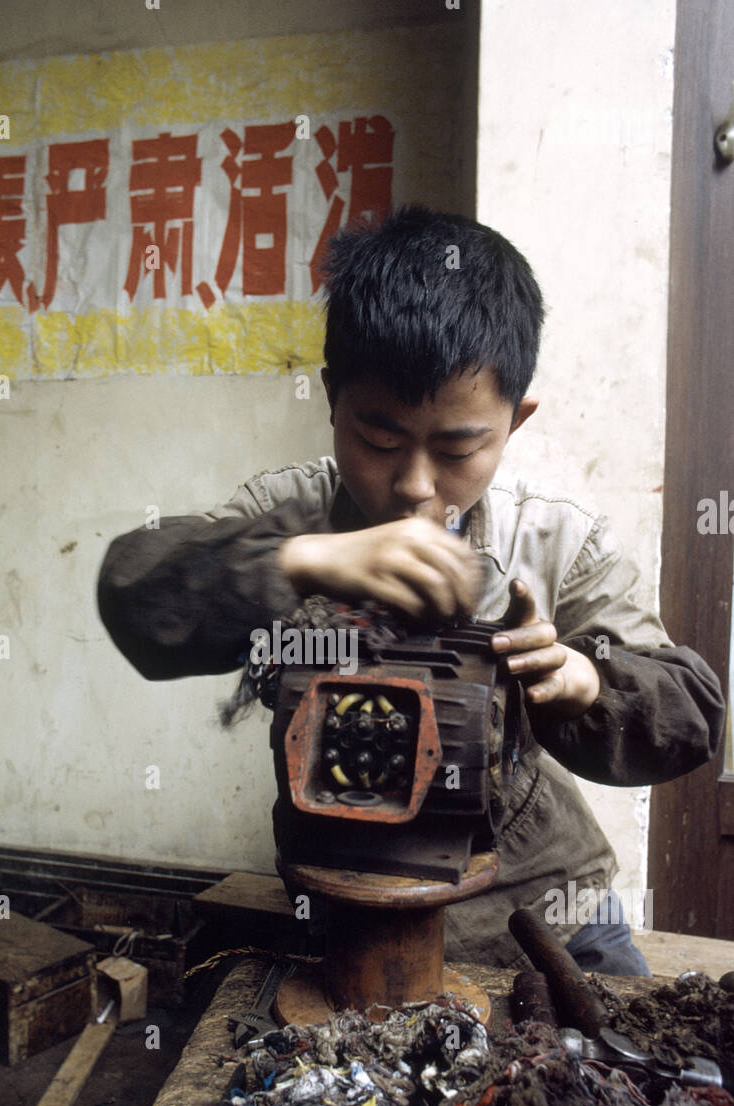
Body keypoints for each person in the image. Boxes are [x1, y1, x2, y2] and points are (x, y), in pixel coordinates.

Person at [97, 206, 725, 975]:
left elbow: (692, 711)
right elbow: (135, 588)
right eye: (379, 439)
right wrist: (304, 560)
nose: (416, 486)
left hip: (546, 918)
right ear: (334, 399)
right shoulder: (287, 515)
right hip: (353, 922)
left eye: (458, 447)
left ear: (515, 420)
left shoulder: (555, 542)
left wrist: (581, 680)